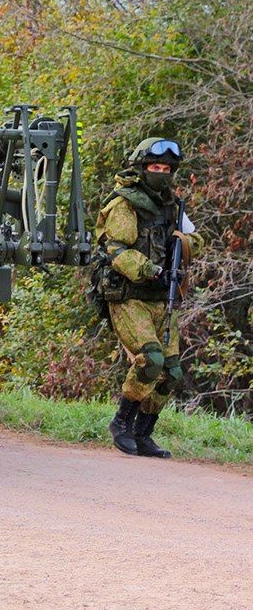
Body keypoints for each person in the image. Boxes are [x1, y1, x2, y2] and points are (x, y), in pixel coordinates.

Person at [95, 137, 202, 458]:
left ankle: (144, 434)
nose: (161, 173)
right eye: (155, 167)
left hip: (162, 295)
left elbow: (195, 238)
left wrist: (182, 245)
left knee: (170, 372)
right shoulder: (125, 204)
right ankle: (121, 424)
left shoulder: (173, 204)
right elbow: (116, 250)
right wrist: (150, 268)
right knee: (150, 360)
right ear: (142, 168)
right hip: (128, 294)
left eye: (167, 168)